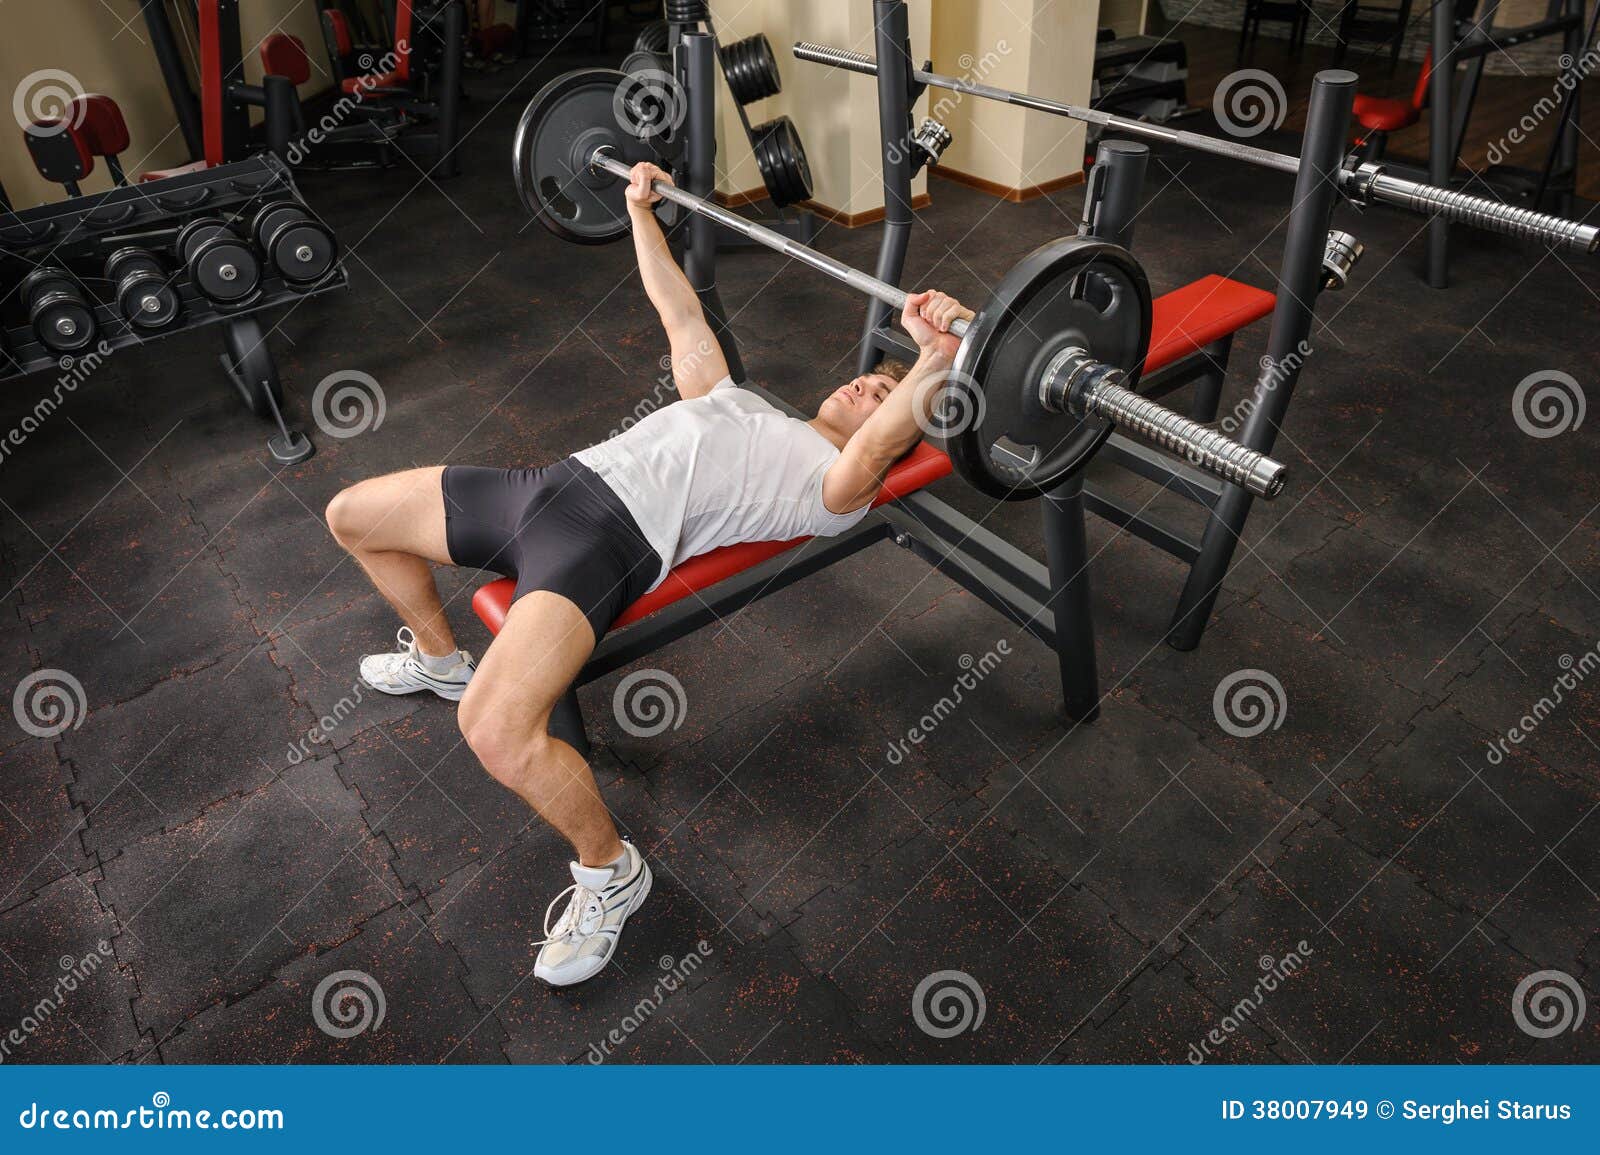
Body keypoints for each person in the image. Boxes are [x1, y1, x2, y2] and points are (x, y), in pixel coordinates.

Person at [324, 162, 972, 986]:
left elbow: (880, 445)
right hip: (546, 488)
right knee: (352, 514)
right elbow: (678, 309)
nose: (863, 384)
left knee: (495, 731)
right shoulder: (735, 400)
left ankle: (610, 870)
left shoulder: (830, 488)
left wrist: (933, 361)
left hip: (603, 542)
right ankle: (441, 659)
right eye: (867, 375)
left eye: (879, 390)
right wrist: (640, 211)